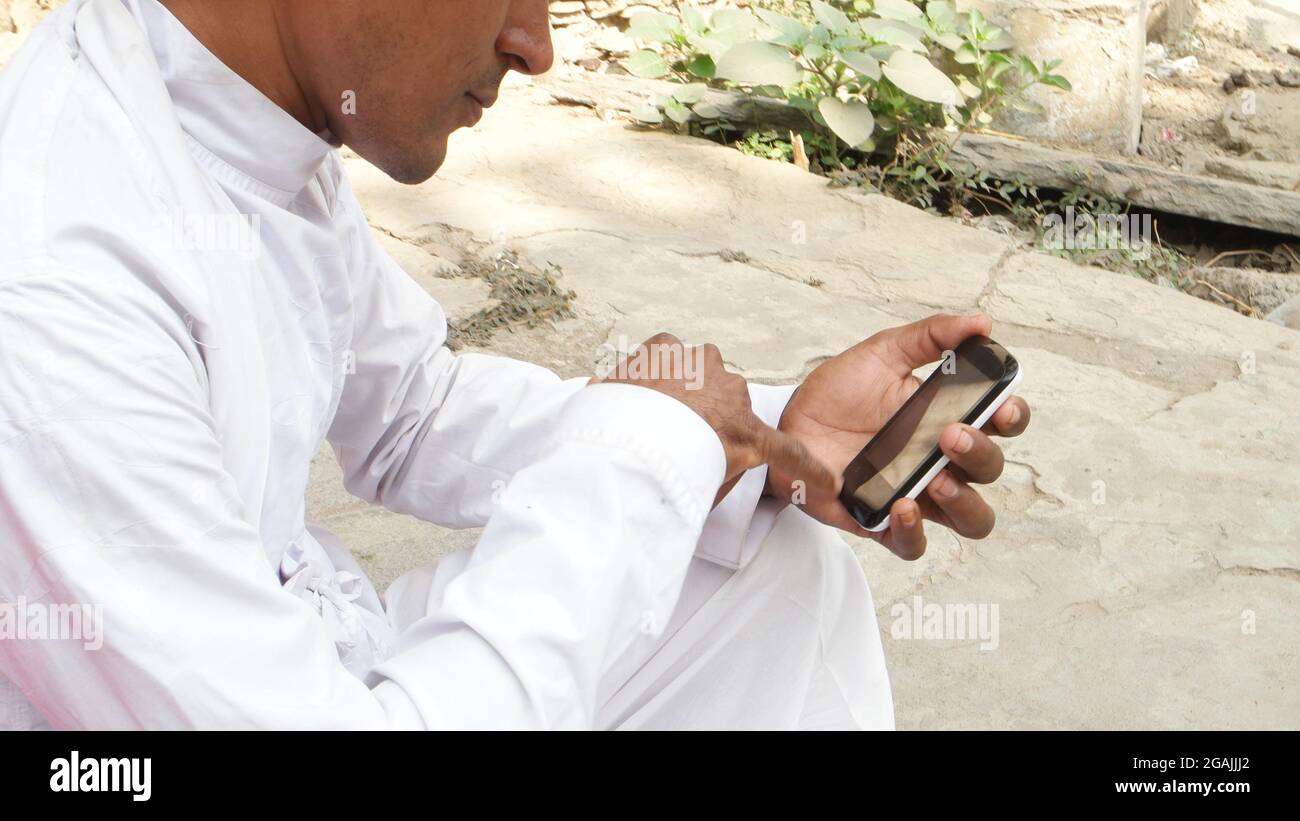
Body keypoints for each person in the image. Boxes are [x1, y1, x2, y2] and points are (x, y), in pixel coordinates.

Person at [0, 0, 1030, 730]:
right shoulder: (58, 280)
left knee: (765, 572)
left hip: (300, 657)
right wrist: (644, 458)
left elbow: (408, 409)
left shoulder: (236, 115)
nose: (533, 46)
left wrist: (759, 428)